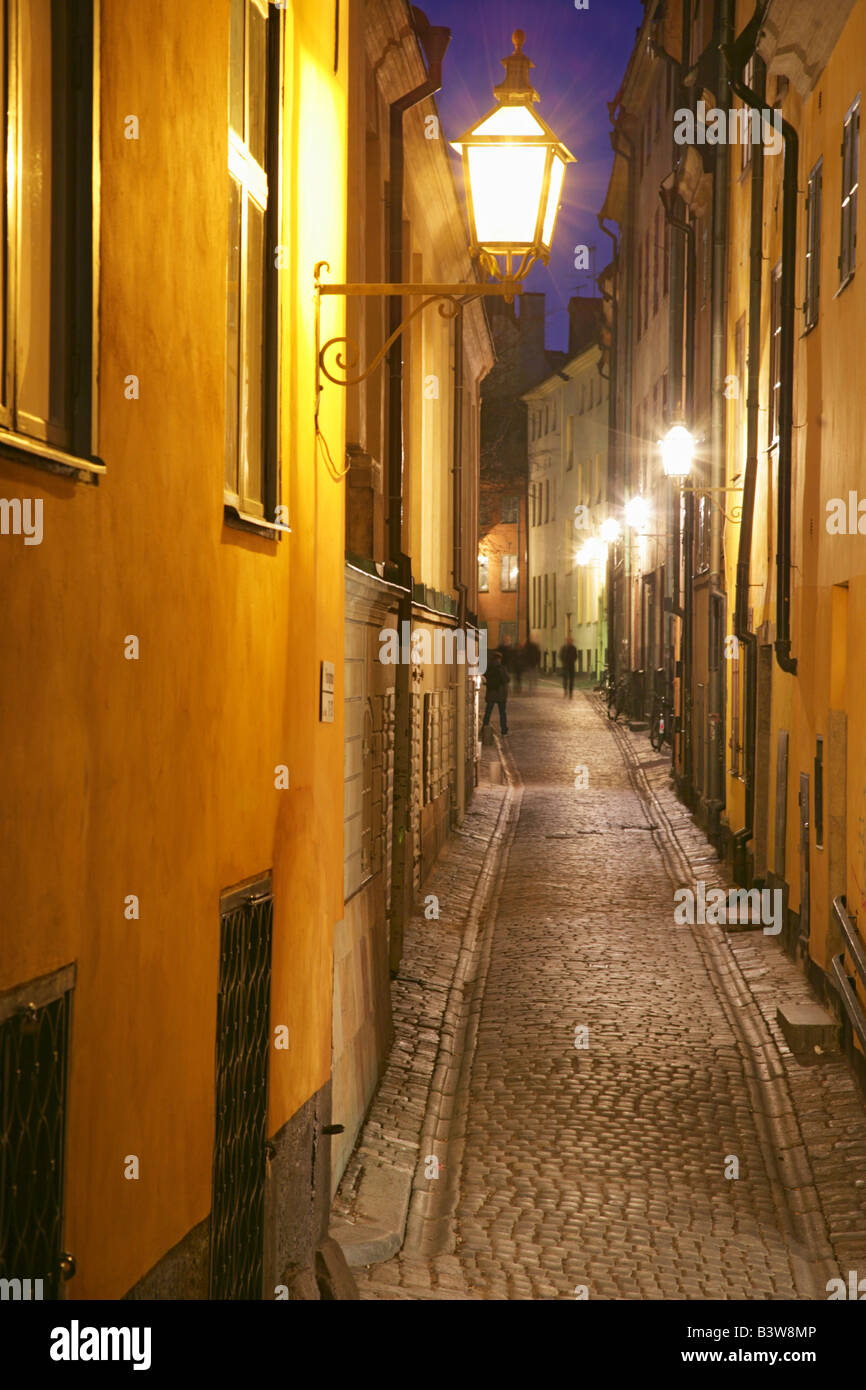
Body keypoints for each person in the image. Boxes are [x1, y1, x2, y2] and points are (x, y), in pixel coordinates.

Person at [482, 649, 510, 736]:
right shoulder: (502, 668)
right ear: (499, 659)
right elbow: (507, 679)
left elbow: (485, 680)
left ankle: (484, 727)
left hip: (491, 693)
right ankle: (504, 729)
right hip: (501, 694)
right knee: (502, 713)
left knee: (488, 712)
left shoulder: (488, 668)